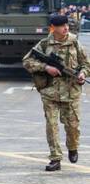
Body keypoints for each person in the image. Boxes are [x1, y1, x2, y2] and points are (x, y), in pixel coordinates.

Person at [22, 13, 88, 172]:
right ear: (54, 28)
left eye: (66, 25)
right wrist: (46, 68)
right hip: (50, 92)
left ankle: (73, 147)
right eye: (61, 26)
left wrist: (82, 74)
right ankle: (55, 158)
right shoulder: (44, 44)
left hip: (71, 93)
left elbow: (86, 64)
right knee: (52, 126)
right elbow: (27, 61)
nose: (66, 28)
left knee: (73, 127)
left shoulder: (75, 43)